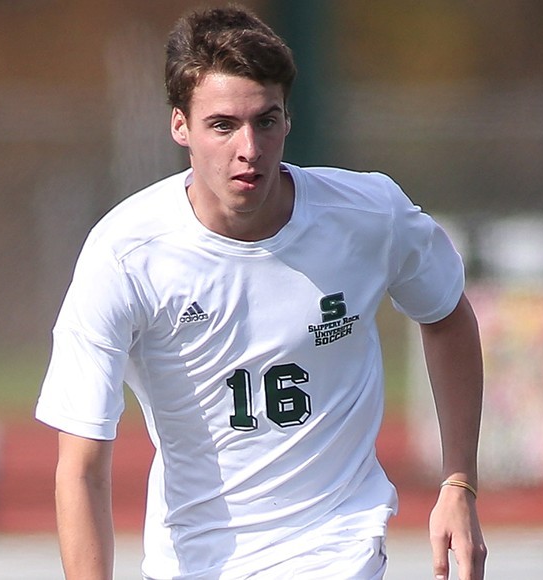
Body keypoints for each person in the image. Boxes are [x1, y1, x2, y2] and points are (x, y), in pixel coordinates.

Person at [35, 4, 486, 579]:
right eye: (222, 125)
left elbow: (446, 315)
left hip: (336, 547)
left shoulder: (369, 215)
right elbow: (80, 469)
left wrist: (458, 484)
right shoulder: (124, 257)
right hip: (193, 560)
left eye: (265, 121)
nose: (248, 147)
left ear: (287, 121)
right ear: (181, 126)